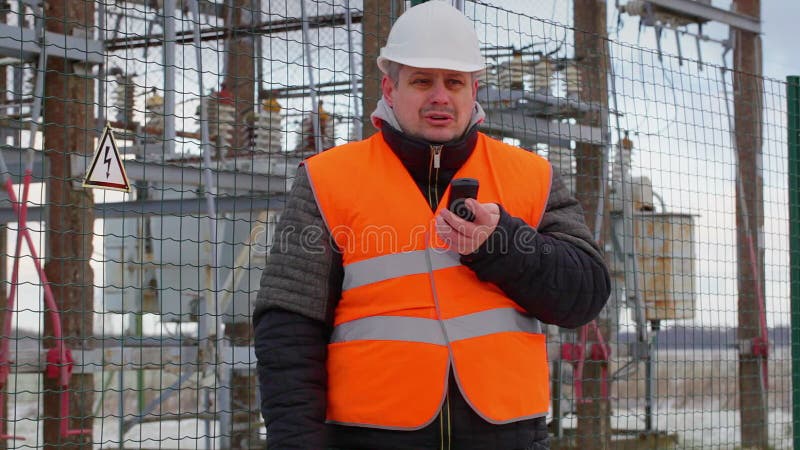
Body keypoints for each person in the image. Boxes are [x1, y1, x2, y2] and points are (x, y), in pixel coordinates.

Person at [253, 2, 610, 449]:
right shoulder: (327, 180)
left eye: (455, 82)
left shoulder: (532, 176)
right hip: (372, 439)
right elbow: (288, 331)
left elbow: (586, 295)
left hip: (507, 437)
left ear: (474, 89)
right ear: (389, 86)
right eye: (423, 81)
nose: (441, 97)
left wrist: (504, 245)